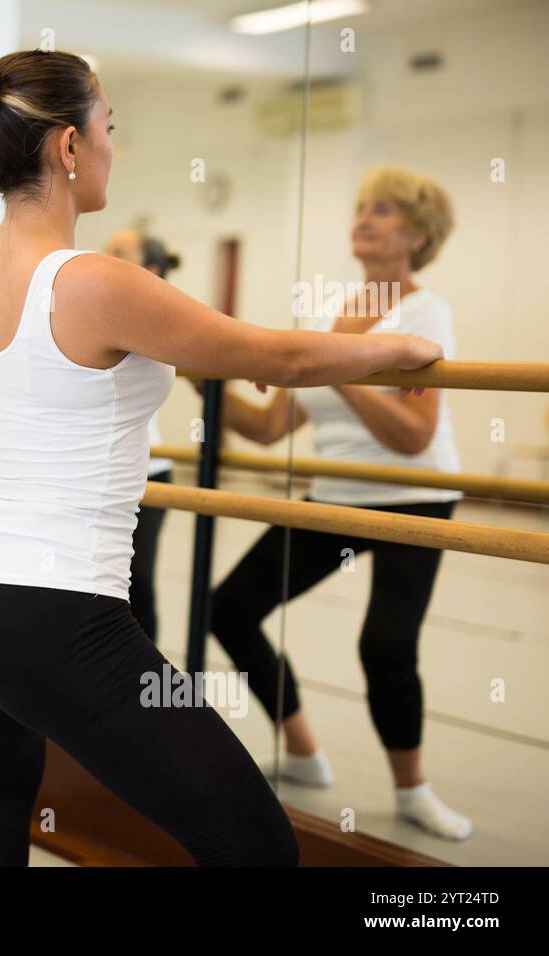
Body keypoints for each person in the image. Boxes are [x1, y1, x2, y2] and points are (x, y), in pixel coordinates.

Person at [0, 46, 443, 867]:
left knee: (0, 787)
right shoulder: (95, 280)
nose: (111, 150)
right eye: (108, 130)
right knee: (257, 845)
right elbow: (280, 359)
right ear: (67, 147)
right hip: (56, 613)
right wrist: (401, 346)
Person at [210, 166, 470, 841]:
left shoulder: (424, 313)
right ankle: (303, 751)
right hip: (338, 496)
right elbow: (270, 429)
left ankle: (413, 790)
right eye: (360, 207)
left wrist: (340, 366)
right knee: (231, 607)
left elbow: (414, 437)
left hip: (417, 499)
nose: (364, 218)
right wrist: (194, 374)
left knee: (384, 644)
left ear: (415, 235)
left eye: (382, 210)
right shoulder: (328, 318)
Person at [105, 227, 182, 642]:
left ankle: (146, 693)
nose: (108, 256)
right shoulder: (93, 305)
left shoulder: (155, 314)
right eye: (109, 249)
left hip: (148, 472)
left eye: (120, 251)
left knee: (135, 588)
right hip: (104, 470)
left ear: (150, 270)